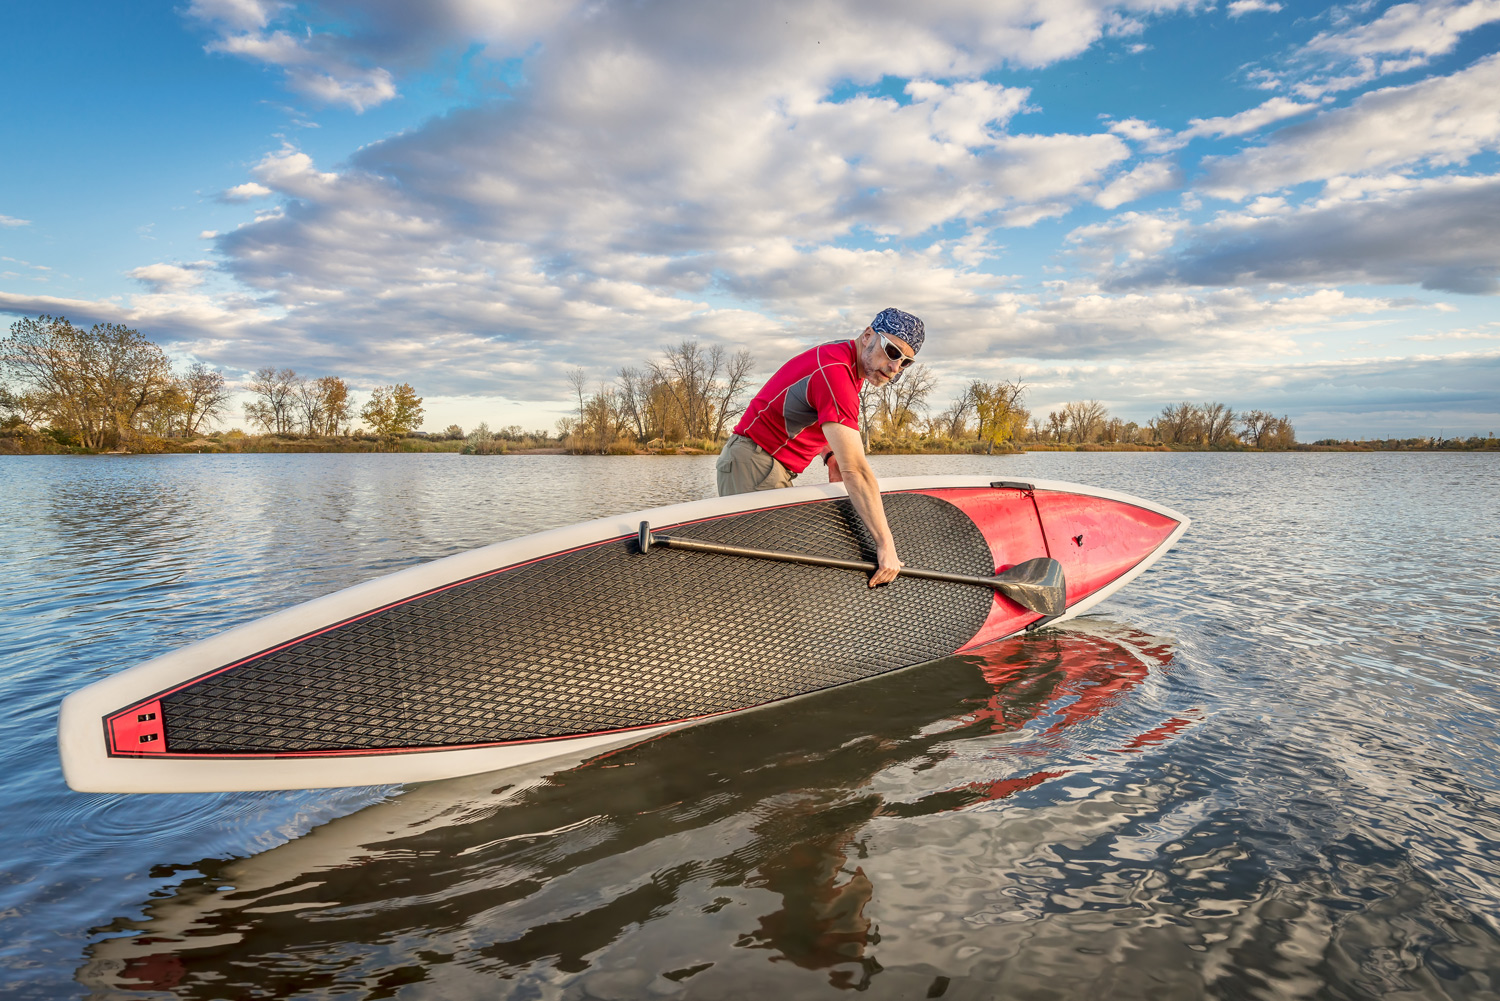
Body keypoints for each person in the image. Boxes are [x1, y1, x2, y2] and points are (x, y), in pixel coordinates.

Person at [716, 307, 924, 587]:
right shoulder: (836, 373)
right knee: (766, 579)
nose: (895, 367)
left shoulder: (843, 358)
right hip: (754, 464)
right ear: (867, 336)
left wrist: (831, 456)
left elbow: (817, 414)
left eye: (905, 362)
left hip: (760, 463)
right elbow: (856, 471)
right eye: (892, 351)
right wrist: (886, 545)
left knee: (776, 572)